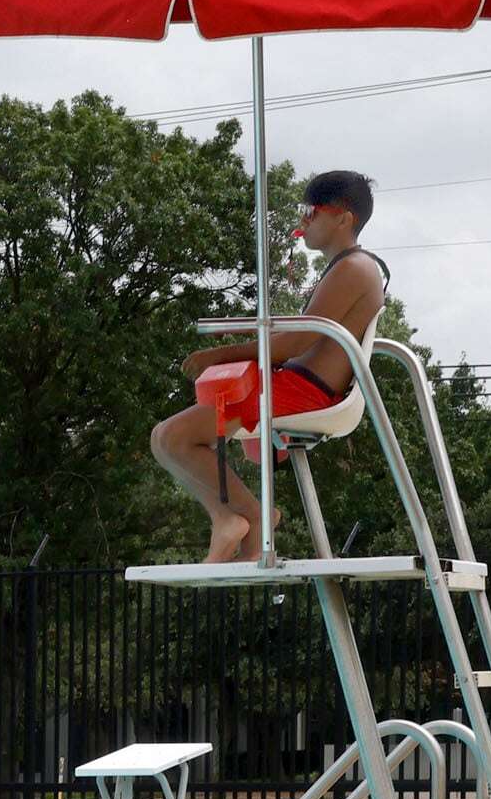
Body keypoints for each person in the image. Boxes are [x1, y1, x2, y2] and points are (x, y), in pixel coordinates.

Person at [149, 169, 393, 563]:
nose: (304, 221)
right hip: (292, 383)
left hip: (305, 391)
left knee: (175, 437)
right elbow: (294, 337)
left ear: (343, 217)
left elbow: (294, 343)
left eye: (312, 211)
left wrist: (220, 356)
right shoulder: (346, 268)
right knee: (163, 439)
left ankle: (251, 518)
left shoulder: (356, 268)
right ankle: (228, 517)